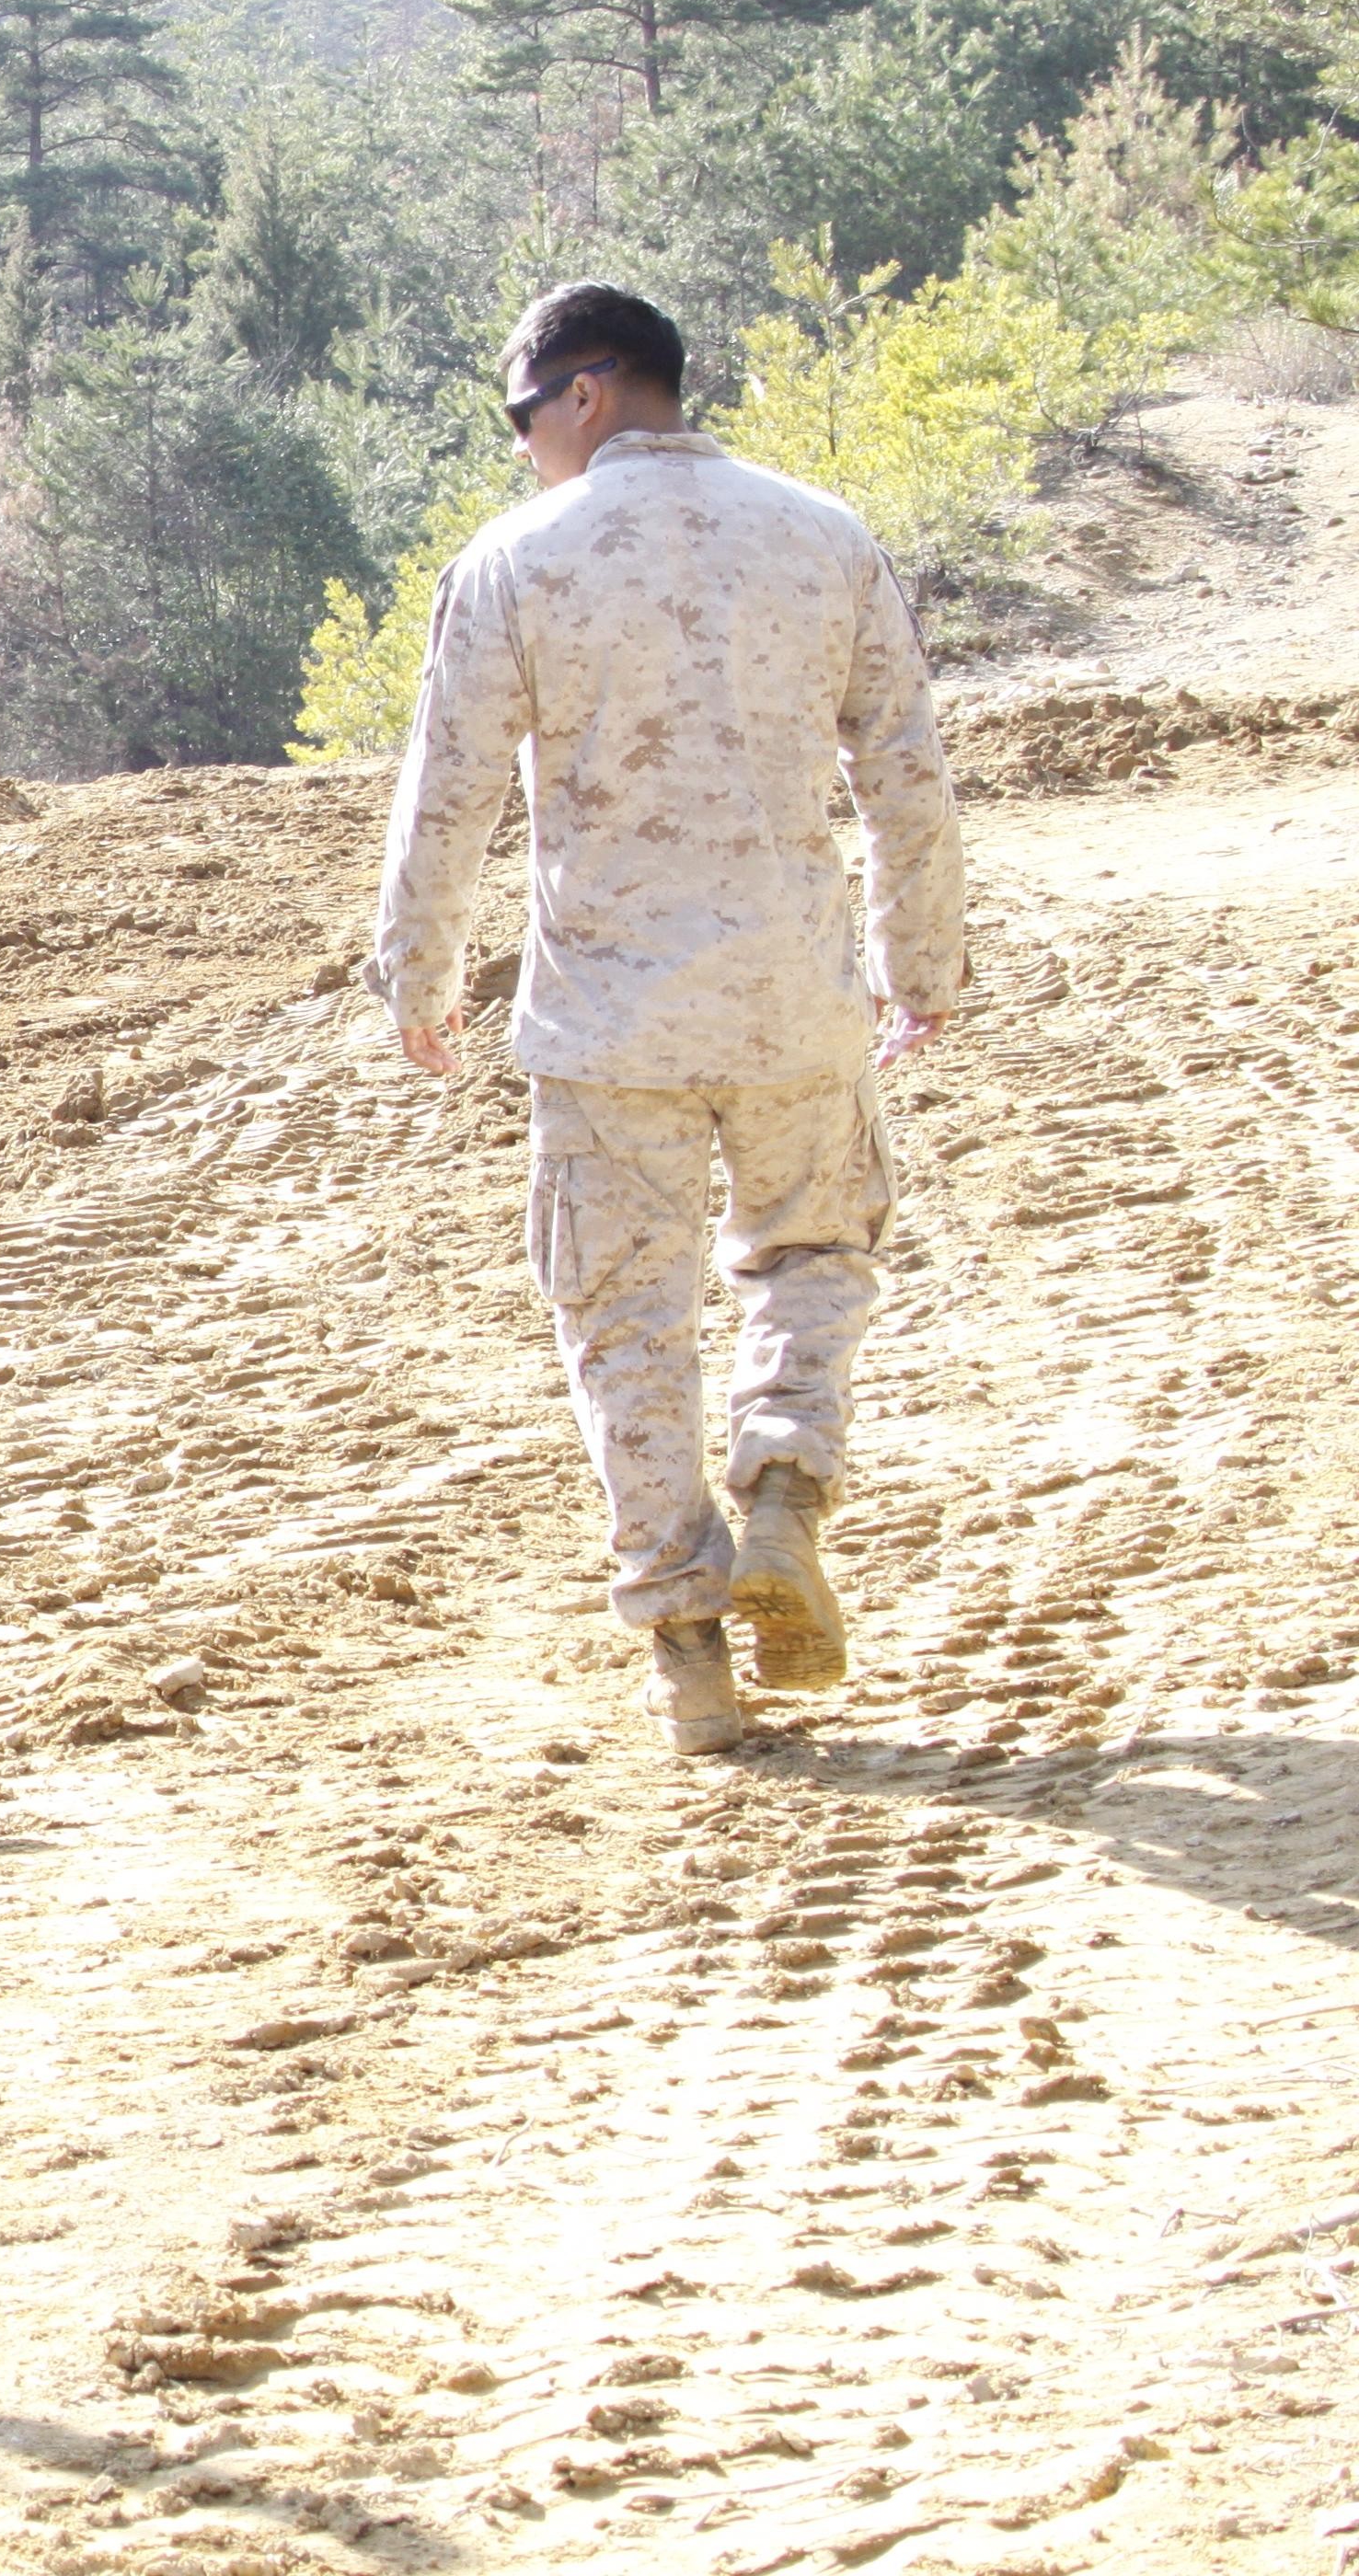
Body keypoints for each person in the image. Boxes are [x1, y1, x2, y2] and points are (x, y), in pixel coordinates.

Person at [365, 282, 965, 1757]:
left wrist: (418, 975)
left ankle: (690, 1658)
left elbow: (443, 796)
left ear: (585, 394)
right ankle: (780, 1490)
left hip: (609, 1024)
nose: (520, 451)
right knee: (816, 1258)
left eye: (522, 419)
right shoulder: (825, 537)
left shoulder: (513, 563)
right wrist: (920, 970)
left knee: (624, 1325)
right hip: (796, 1002)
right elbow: (906, 777)